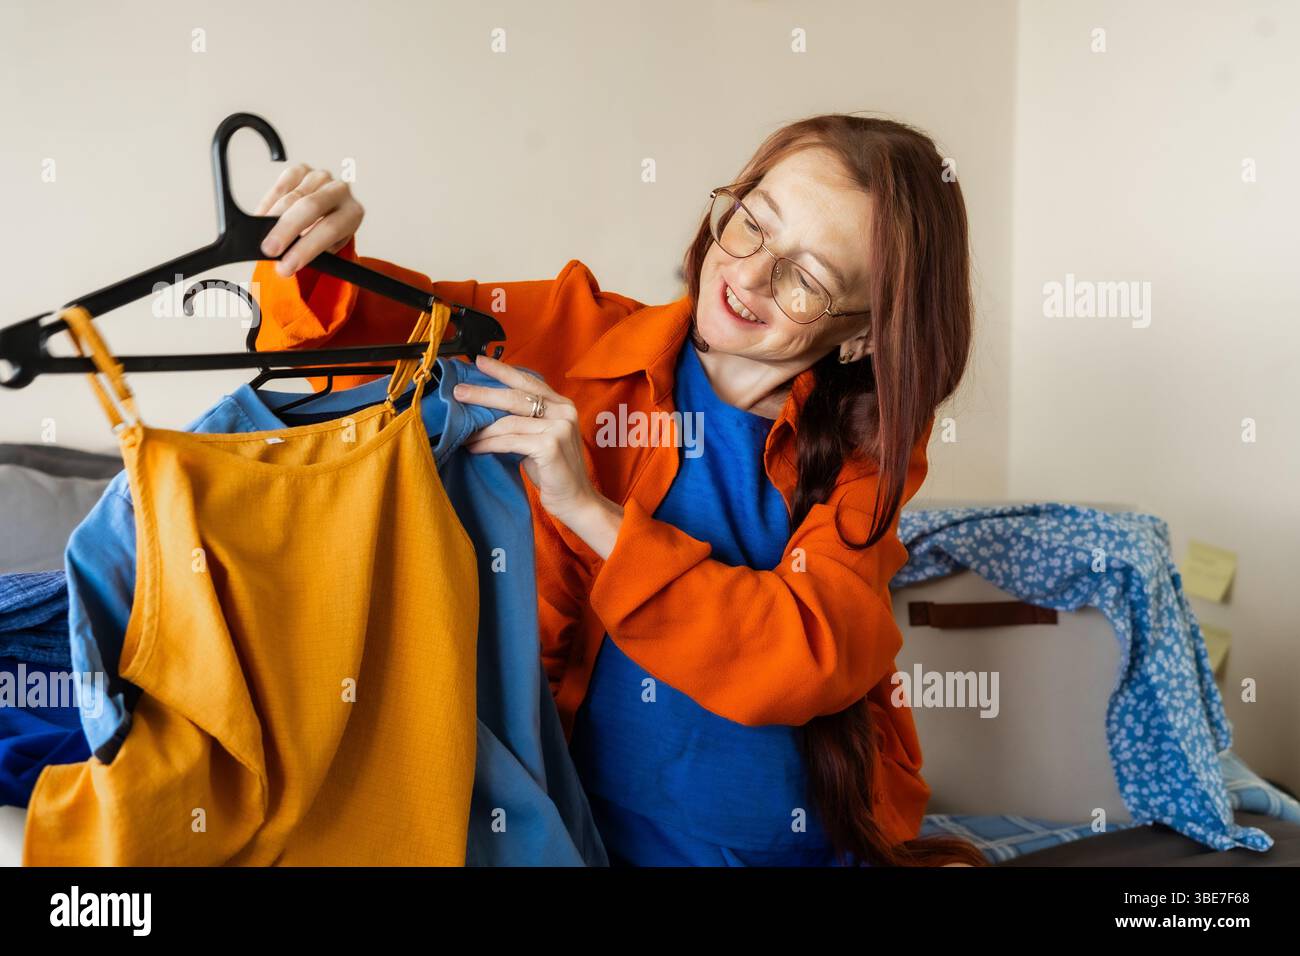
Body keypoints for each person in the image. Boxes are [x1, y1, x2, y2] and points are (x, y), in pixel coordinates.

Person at [249, 113, 982, 867]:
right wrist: (318, 256)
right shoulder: (572, 334)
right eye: (752, 224)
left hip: (814, 847)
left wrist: (591, 515)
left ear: (863, 334)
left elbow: (808, 656)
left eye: (807, 279)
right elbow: (358, 344)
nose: (751, 275)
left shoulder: (871, 447)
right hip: (587, 844)